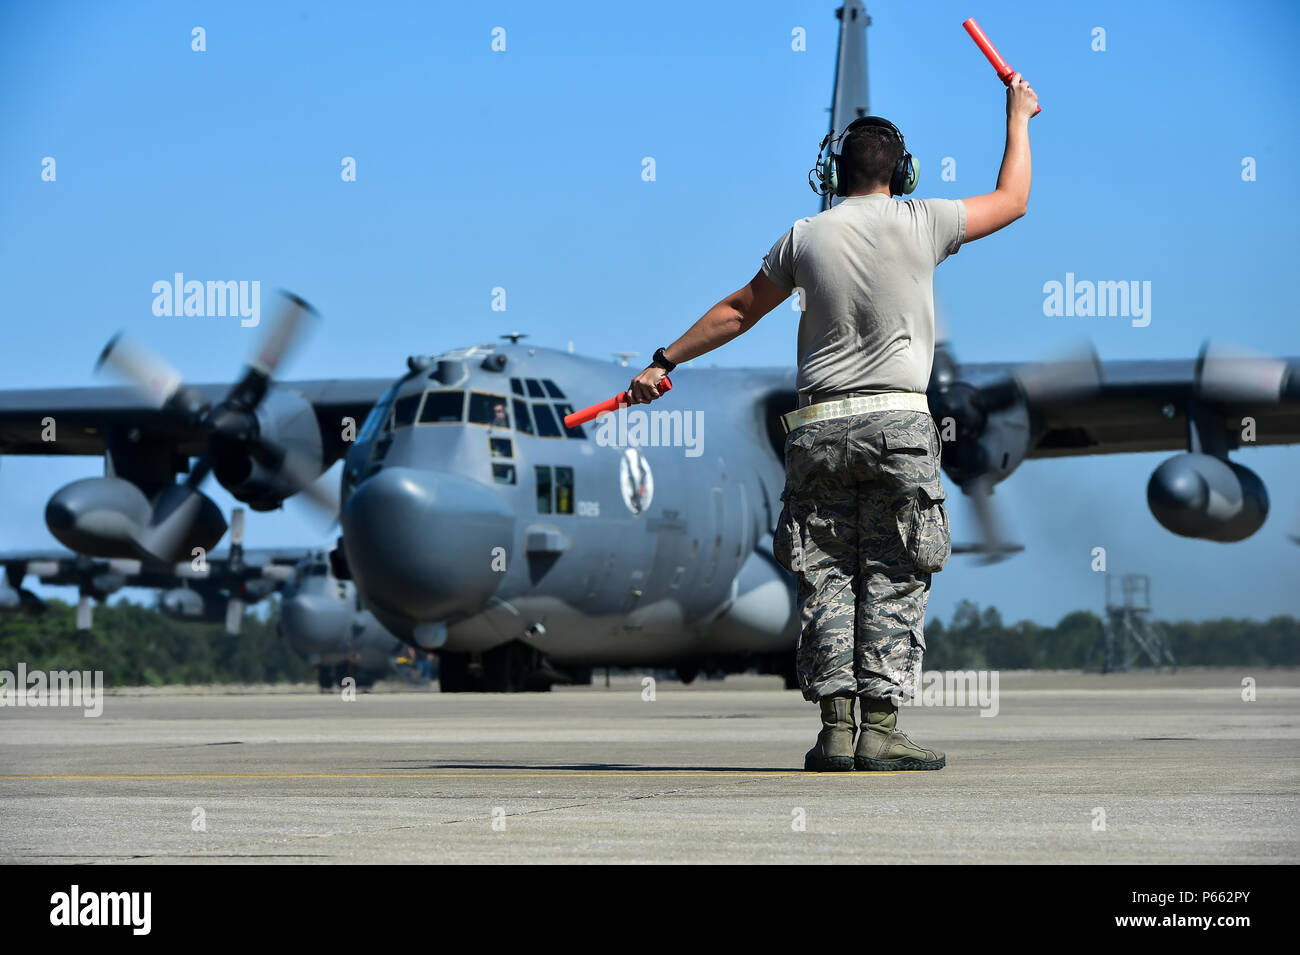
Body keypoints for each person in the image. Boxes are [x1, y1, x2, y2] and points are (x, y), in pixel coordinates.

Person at [627, 76, 1039, 771]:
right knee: (894, 568)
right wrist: (1018, 117)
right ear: (901, 174)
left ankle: (836, 732)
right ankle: (881, 728)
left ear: (832, 172)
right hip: (900, 425)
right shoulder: (926, 221)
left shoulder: (805, 236)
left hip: (817, 428)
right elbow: (1013, 200)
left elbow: (737, 309)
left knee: (824, 575)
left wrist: (663, 360)